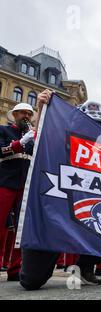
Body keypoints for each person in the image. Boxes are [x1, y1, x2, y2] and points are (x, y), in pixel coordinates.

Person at [19, 93, 101, 290]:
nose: (91, 130)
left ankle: (85, 266)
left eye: (97, 126)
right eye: (87, 123)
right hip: (49, 219)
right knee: (31, 281)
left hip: (80, 216)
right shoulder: (54, 140)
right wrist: (41, 111)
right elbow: (29, 145)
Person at [0, 101, 37, 281]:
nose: (27, 117)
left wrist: (34, 141)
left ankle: (15, 269)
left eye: (29, 114)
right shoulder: (3, 130)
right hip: (5, 181)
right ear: (14, 115)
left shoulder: (33, 136)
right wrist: (20, 142)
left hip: (25, 184)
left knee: (20, 229)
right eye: (23, 113)